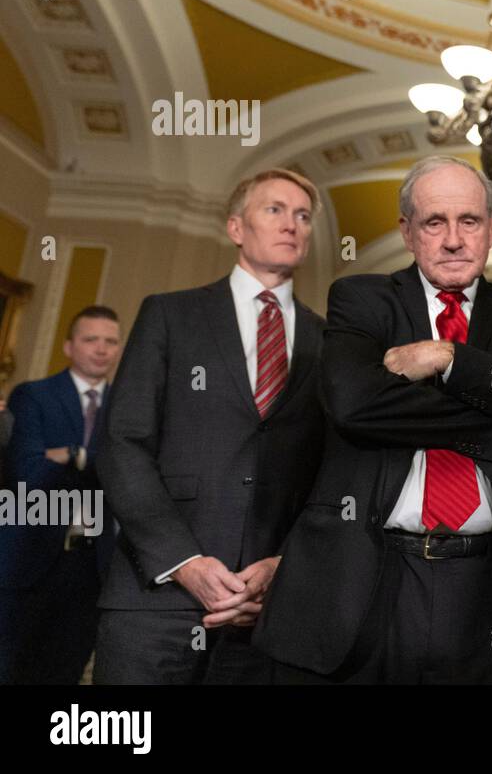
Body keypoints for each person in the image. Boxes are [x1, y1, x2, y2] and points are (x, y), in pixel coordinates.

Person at [254, 157, 492, 684]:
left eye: (469, 222)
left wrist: (451, 358)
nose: (453, 240)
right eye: (434, 223)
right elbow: (353, 405)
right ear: (408, 231)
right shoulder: (361, 299)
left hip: (489, 581)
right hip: (367, 576)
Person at [93, 169, 327, 684]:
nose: (292, 224)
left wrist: (281, 565)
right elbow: (122, 442)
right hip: (156, 596)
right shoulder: (171, 314)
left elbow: (330, 472)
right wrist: (184, 561)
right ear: (236, 228)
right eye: (274, 210)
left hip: (266, 611)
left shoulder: (328, 340)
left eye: (303, 215)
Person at [0, 306, 121, 684]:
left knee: (64, 675)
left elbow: (129, 473)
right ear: (68, 346)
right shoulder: (34, 395)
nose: (101, 349)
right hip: (28, 558)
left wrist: (73, 454)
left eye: (110, 341)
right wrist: (99, 465)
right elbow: (28, 471)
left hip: (91, 568)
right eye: (90, 339)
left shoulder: (128, 407)